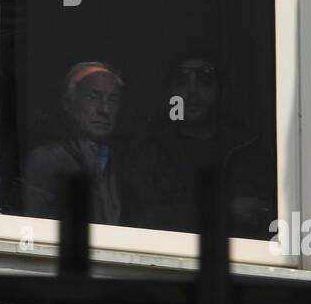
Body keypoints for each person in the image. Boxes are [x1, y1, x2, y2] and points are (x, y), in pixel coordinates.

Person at [138, 54, 275, 238]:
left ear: (220, 91)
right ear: (170, 92)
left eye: (205, 81)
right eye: (182, 81)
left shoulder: (245, 148)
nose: (193, 92)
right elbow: (145, 217)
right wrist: (225, 211)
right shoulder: (149, 147)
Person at [20, 62, 129, 225]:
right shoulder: (47, 159)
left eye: (112, 100)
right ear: (68, 104)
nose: (105, 110)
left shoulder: (127, 163)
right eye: (92, 98)